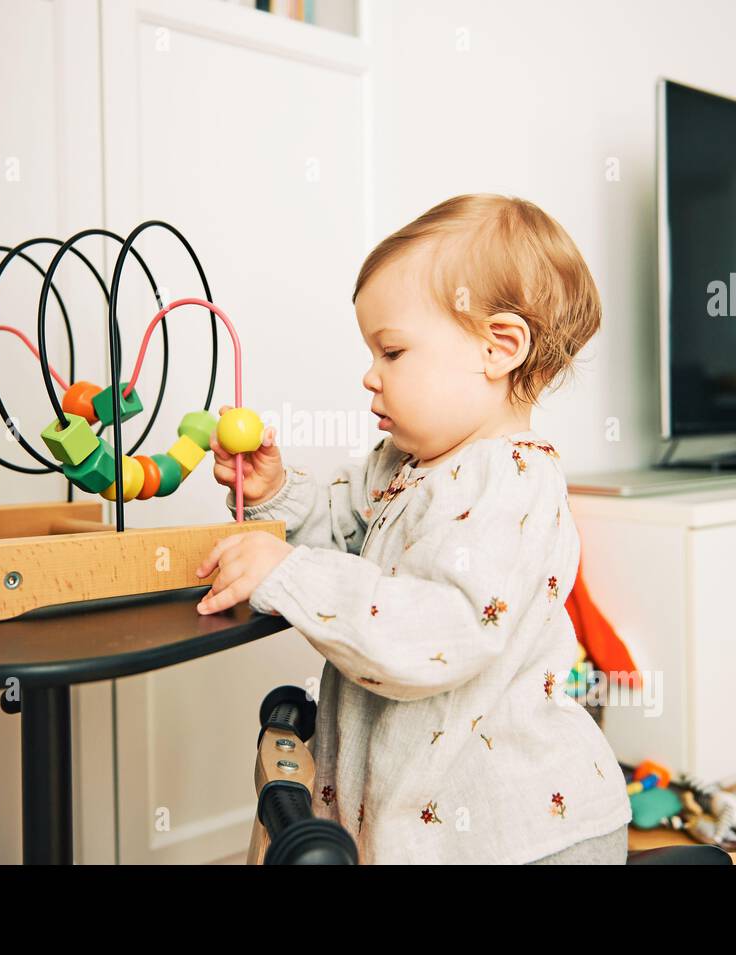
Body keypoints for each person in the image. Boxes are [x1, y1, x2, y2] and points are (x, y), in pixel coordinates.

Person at [195, 194, 631, 864]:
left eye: (391, 350)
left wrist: (285, 574)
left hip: (520, 840)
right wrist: (275, 494)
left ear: (498, 347)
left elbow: (439, 629)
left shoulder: (511, 483)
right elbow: (339, 531)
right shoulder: (406, 463)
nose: (369, 375)